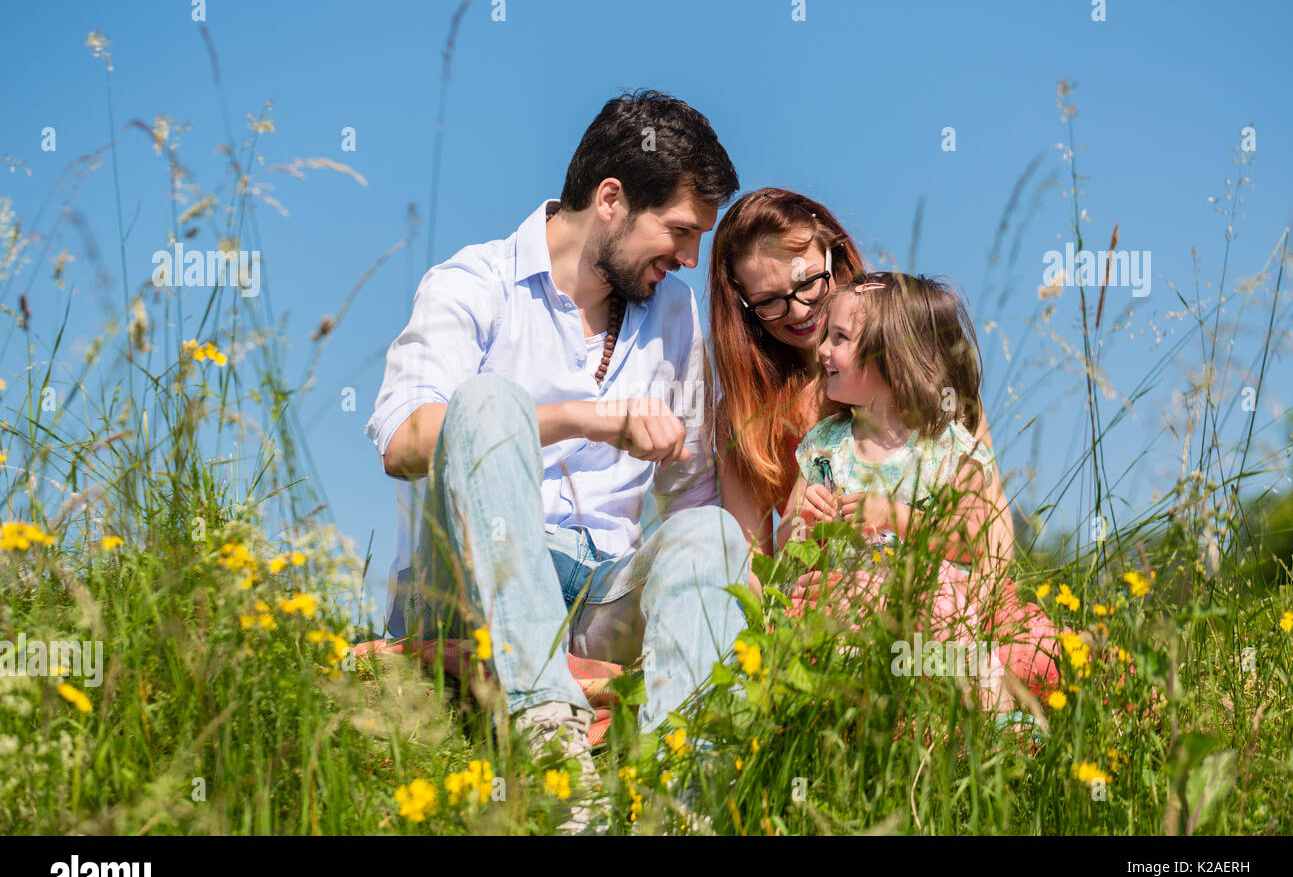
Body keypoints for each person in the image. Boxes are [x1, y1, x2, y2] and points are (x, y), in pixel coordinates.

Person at [365, 91, 750, 826]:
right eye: (679, 229)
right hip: (475, 574)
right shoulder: (473, 283)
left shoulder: (674, 311)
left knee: (714, 535)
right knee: (482, 403)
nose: (691, 258)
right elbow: (403, 441)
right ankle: (551, 741)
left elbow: (693, 489)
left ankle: (679, 799)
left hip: (599, 590)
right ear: (611, 199)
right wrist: (587, 420)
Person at [773, 271, 1061, 708]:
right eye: (826, 336)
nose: (823, 348)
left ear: (893, 355)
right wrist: (803, 523)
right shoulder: (825, 446)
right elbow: (787, 544)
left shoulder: (944, 447)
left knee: (986, 627)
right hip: (846, 602)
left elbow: (971, 540)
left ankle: (981, 711)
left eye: (840, 338)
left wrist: (892, 514)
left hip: (933, 606)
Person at [706, 188, 1015, 570]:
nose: (801, 309)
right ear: (745, 308)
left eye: (808, 283)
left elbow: (991, 540)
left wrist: (977, 620)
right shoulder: (749, 415)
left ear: (833, 259)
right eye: (770, 300)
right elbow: (754, 563)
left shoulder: (930, 388)